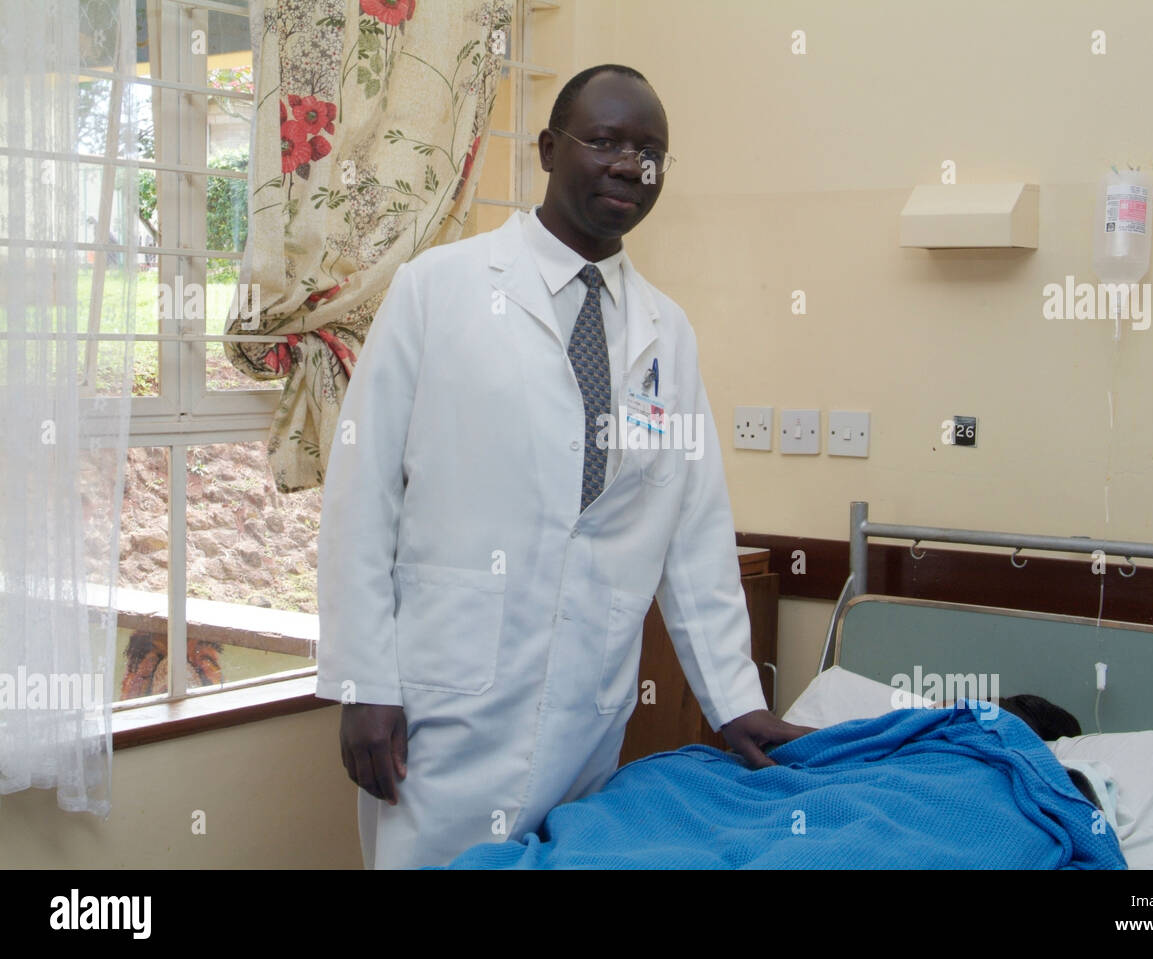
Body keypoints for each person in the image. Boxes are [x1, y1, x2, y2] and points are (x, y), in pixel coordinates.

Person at [315, 64, 812, 868]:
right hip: (444, 702)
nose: (629, 165)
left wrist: (735, 703)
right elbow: (361, 492)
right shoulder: (437, 289)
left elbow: (694, 531)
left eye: (650, 152)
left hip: (588, 711)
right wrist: (362, 680)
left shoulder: (666, 331)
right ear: (548, 148)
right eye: (606, 140)